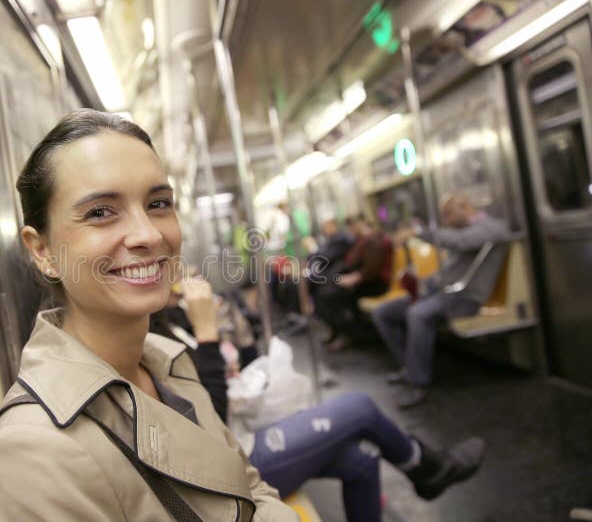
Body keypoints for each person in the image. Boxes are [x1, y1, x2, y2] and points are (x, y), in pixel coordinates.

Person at [0, 109, 298, 520]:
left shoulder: (167, 362)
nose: (149, 235)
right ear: (43, 252)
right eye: (100, 212)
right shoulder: (29, 453)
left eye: (158, 203)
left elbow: (247, 487)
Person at [151, 278, 486, 522]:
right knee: (359, 407)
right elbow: (210, 416)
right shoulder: (148, 343)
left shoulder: (170, 322)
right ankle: (425, 468)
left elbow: (227, 362)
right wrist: (207, 334)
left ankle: (425, 469)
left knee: (363, 457)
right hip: (232, 467)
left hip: (240, 440)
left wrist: (225, 333)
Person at [372, 193, 509, 408]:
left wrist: (419, 232)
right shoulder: (462, 231)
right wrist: (423, 281)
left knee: (417, 314)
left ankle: (418, 383)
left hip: (465, 296)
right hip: (442, 292)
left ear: (464, 206)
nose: (446, 220)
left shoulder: (492, 228)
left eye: (449, 214)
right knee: (383, 312)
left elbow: (462, 242)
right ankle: (409, 367)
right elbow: (449, 270)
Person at [314, 215, 392, 350]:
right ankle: (341, 330)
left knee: (331, 295)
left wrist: (356, 277)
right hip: (362, 279)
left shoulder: (372, 240)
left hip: (373, 283)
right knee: (325, 292)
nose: (351, 228)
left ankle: (349, 332)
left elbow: (371, 269)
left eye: (353, 225)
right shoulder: (359, 240)